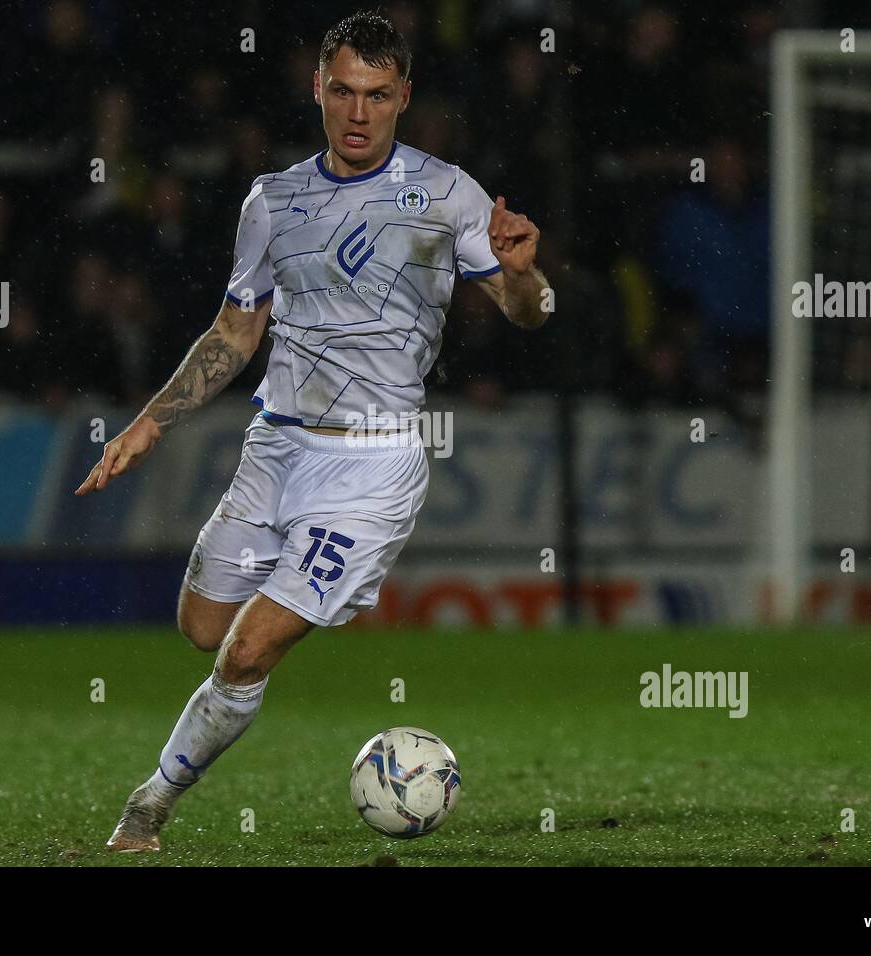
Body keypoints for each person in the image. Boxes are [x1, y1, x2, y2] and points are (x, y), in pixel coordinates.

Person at [75, 10, 551, 852]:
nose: (357, 112)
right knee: (202, 629)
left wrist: (523, 277)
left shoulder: (448, 194)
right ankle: (241, 669)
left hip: (372, 465)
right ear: (317, 89)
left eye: (376, 94)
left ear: (404, 96)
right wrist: (152, 422)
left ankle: (147, 807)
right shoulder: (273, 200)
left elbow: (530, 313)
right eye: (342, 91)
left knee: (248, 651)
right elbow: (235, 332)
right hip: (275, 448)